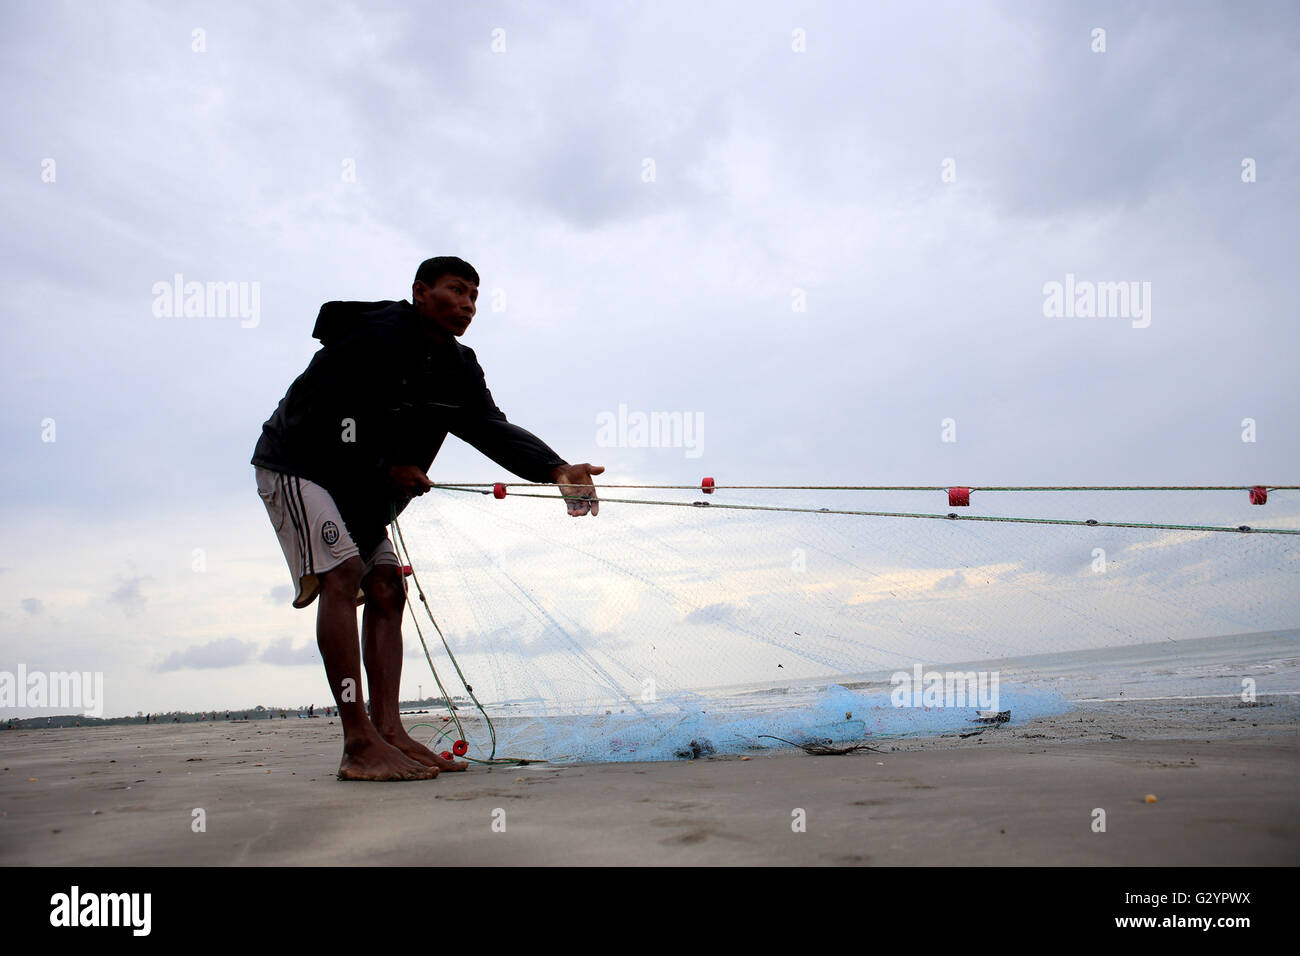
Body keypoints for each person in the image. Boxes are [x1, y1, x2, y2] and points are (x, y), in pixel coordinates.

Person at [251, 256, 602, 781]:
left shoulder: (458, 366)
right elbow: (329, 419)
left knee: (388, 586)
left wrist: (555, 469)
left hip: (362, 489)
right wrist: (385, 467)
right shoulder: (372, 337)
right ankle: (357, 744)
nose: (467, 305)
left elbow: (488, 426)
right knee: (343, 574)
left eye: (474, 296)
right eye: (456, 290)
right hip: (300, 466)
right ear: (420, 291)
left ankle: (389, 731)